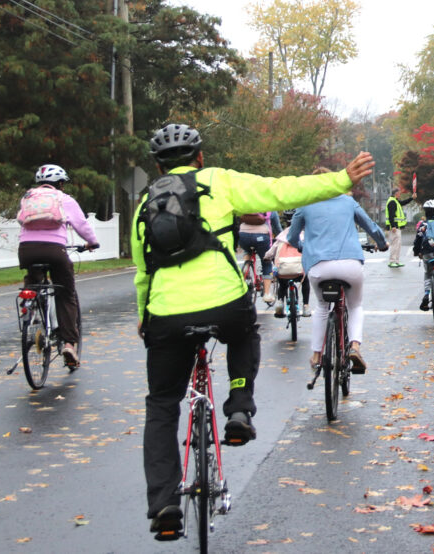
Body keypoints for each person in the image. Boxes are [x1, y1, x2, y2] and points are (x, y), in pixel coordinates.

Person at [133, 123, 374, 539]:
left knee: (161, 406)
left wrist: (145, 316)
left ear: (157, 166)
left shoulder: (144, 204)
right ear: (201, 158)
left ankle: (164, 503)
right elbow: (283, 191)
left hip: (166, 313)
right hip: (224, 303)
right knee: (244, 333)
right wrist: (342, 179)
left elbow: (142, 271)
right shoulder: (222, 182)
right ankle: (240, 405)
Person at [288, 174, 388, 374]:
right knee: (356, 305)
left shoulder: (305, 205)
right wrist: (382, 243)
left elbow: (291, 237)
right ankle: (355, 347)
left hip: (318, 266)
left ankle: (316, 355)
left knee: (322, 307)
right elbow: (370, 225)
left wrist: (303, 247)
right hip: (350, 264)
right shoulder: (348, 202)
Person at [16, 164, 100, 369]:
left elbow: (21, 220)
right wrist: (92, 242)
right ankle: (69, 344)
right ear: (60, 183)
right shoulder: (65, 199)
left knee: (34, 279)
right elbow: (82, 225)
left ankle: (29, 303)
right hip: (54, 250)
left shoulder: (27, 197)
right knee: (66, 293)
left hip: (26, 249)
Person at [266, 209, 309, 317]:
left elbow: (271, 252)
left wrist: (266, 258)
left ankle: (280, 302)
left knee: (282, 283)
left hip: (284, 270)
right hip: (299, 270)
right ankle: (306, 306)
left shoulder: (281, 236)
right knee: (305, 281)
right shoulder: (303, 235)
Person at [238, 209, 280, 304]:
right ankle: (267, 294)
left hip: (243, 235)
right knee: (266, 262)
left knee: (247, 249)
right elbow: (278, 229)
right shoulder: (270, 208)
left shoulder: (247, 204)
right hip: (261, 237)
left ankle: (246, 267)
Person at [384, 186, 415, 268]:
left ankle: (396, 261)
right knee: (395, 244)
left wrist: (411, 198)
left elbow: (403, 203)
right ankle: (392, 261)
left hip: (397, 227)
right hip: (394, 227)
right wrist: (393, 226)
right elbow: (391, 215)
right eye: (399, 193)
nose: (400, 195)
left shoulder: (395, 201)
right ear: (396, 193)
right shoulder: (392, 202)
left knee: (398, 244)